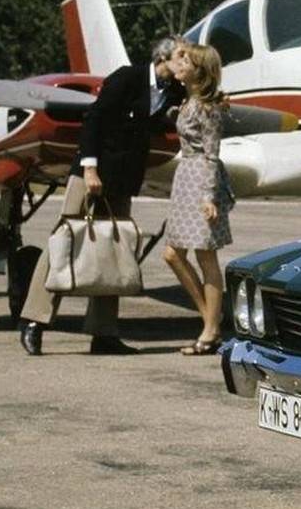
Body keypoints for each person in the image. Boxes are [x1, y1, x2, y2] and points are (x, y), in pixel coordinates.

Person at [20, 36, 179, 356]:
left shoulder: (174, 89)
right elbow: (94, 121)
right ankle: (35, 321)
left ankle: (104, 333)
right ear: (163, 59)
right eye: (182, 58)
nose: (186, 64)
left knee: (114, 250)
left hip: (123, 179)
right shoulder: (126, 77)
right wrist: (90, 170)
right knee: (65, 240)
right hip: (92, 172)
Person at [162, 40, 235, 354]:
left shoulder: (208, 108)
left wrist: (208, 197)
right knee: (172, 254)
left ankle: (209, 329)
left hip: (202, 180)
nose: (179, 64)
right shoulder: (189, 100)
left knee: (206, 256)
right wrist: (181, 51)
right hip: (185, 180)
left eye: (187, 61)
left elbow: (211, 154)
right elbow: (174, 63)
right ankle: (212, 322)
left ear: (200, 71)